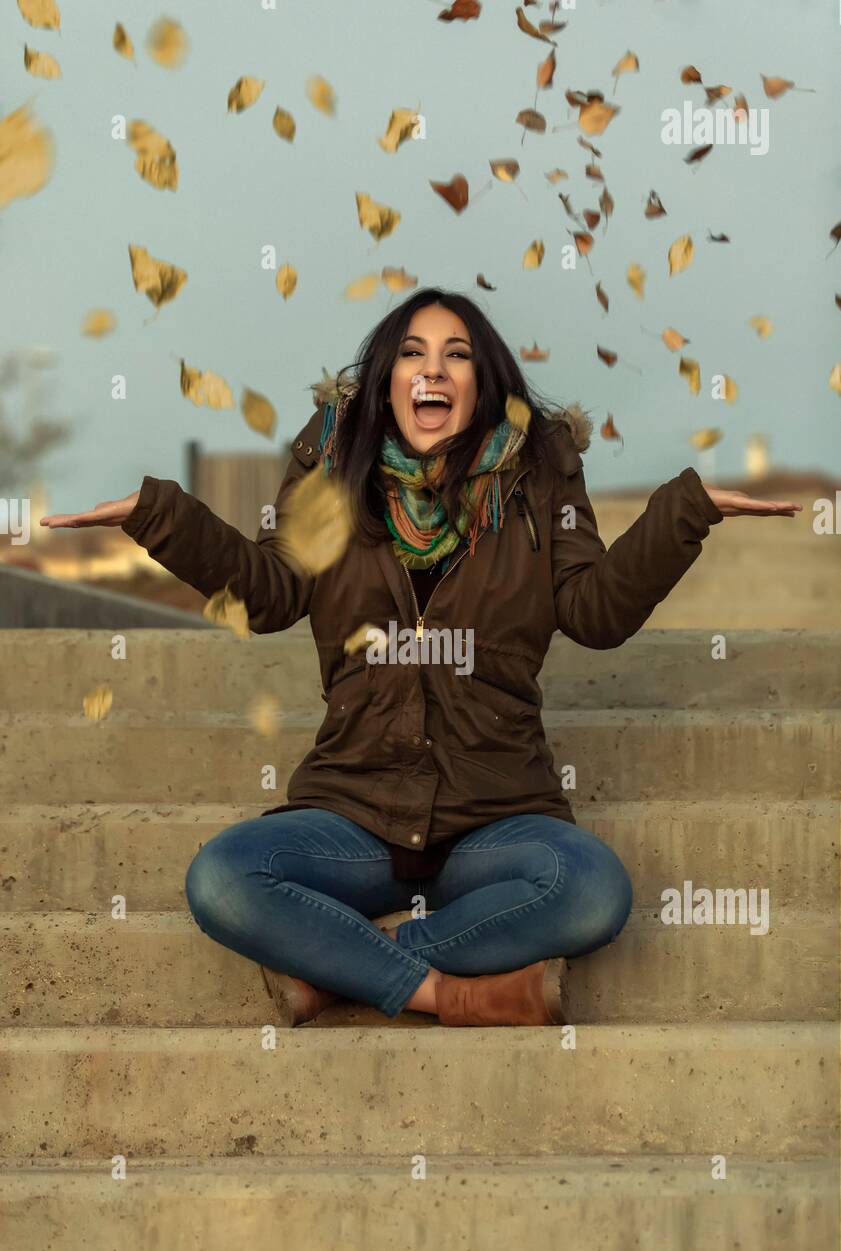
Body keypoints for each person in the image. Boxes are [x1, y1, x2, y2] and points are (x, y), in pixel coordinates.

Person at [41, 288, 800, 1028]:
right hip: (355, 812)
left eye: (456, 355)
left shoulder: (538, 473)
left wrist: (685, 513)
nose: (432, 369)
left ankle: (336, 968)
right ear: (387, 380)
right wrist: (161, 516)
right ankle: (454, 996)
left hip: (495, 814)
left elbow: (594, 613)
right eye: (412, 353)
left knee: (591, 889)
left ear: (483, 384)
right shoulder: (330, 465)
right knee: (223, 877)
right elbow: (270, 594)